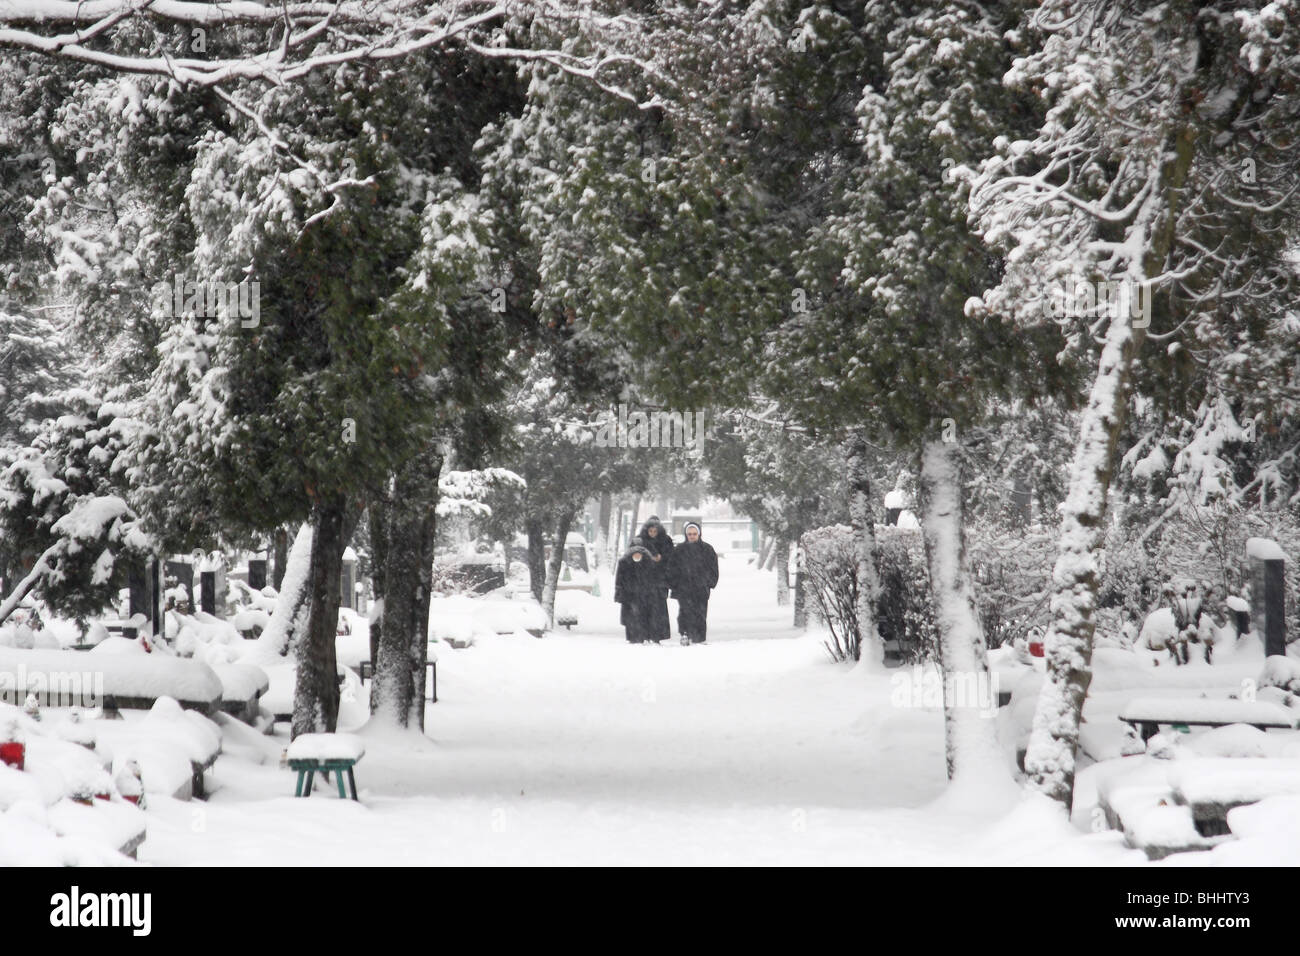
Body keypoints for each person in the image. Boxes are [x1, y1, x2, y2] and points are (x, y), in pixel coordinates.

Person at [668, 521, 718, 644]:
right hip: (683, 587)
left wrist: (709, 582)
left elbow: (713, 568)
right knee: (684, 612)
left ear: (699, 534)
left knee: (700, 613)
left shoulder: (707, 549)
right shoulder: (679, 550)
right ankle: (685, 634)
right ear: (686, 534)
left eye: (694, 534)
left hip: (701, 587)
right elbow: (672, 568)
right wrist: (674, 583)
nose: (692, 536)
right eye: (689, 534)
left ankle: (700, 637)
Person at [613, 538, 670, 644]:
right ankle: (640, 637)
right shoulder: (645, 561)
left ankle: (639, 637)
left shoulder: (643, 561)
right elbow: (620, 580)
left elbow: (620, 580)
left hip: (639, 594)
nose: (637, 554)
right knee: (639, 617)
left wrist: (620, 592)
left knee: (639, 617)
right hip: (637, 594)